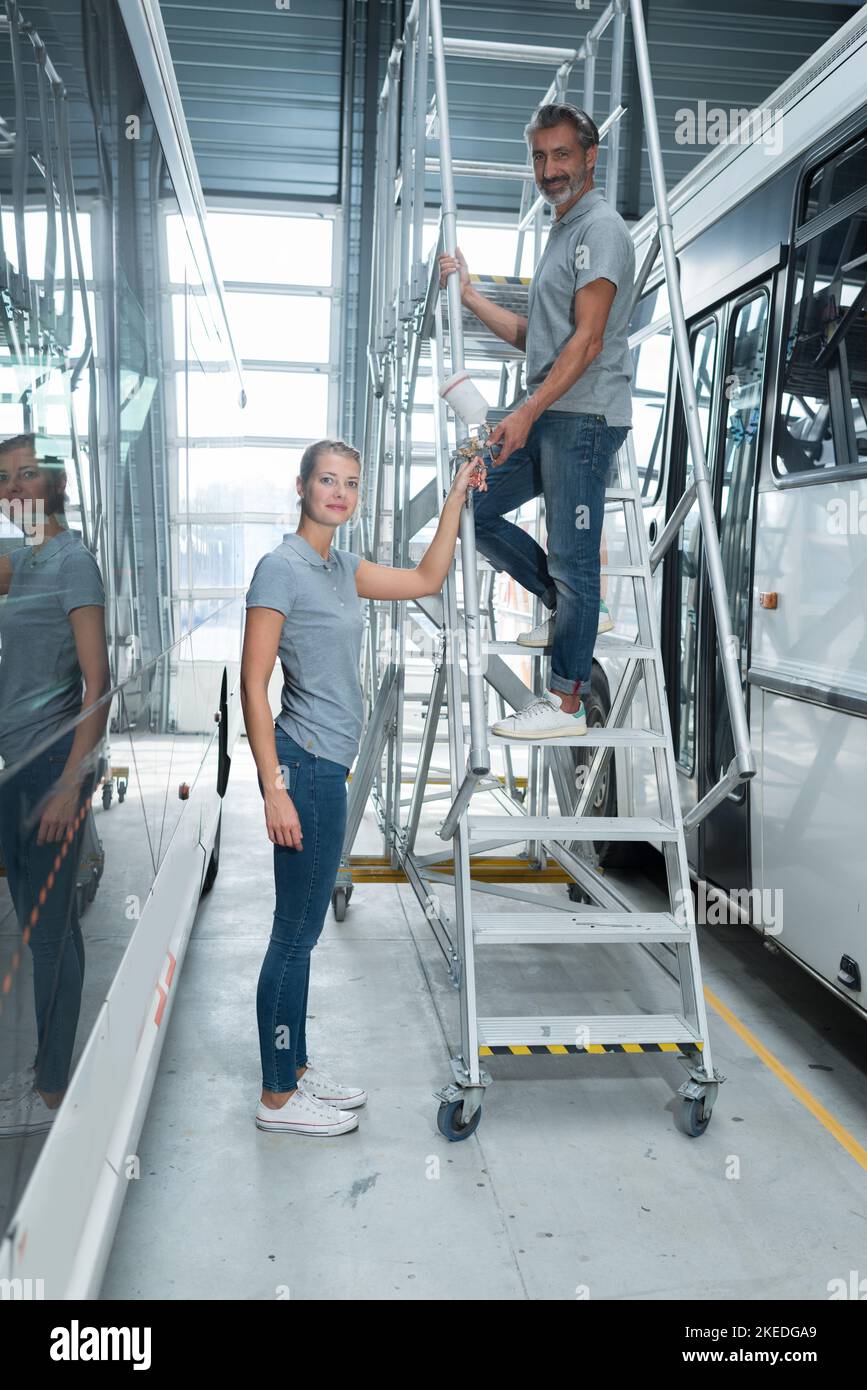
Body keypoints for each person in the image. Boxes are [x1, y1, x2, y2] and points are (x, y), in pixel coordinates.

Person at [241, 438, 481, 1137]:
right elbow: (254, 684)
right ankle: (277, 1098)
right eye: (326, 480)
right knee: (292, 936)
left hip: (327, 768)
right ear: (301, 486)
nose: (338, 493)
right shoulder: (279, 568)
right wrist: (272, 788)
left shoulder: (341, 567)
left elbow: (427, 579)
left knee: (304, 934)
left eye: (350, 482)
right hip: (303, 766)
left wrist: (457, 492)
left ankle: (298, 1070)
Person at [439, 102, 634, 739]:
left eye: (561, 155)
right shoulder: (562, 230)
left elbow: (587, 343)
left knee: (576, 560)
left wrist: (523, 413)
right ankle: (563, 606)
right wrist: (469, 296)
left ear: (589, 158)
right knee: (471, 507)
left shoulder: (598, 229)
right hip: (551, 411)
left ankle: (568, 705)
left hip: (581, 417)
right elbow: (539, 336)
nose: (549, 169)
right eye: (540, 157)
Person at [0, 434, 109, 1137]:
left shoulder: (74, 564)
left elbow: (98, 689)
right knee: (32, 927)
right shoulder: (17, 559)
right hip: (9, 766)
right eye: (4, 478)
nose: (15, 487)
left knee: (50, 935)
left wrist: (72, 785)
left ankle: (53, 1089)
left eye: (27, 474)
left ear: (57, 483)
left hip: (50, 768)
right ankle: (47, 1079)